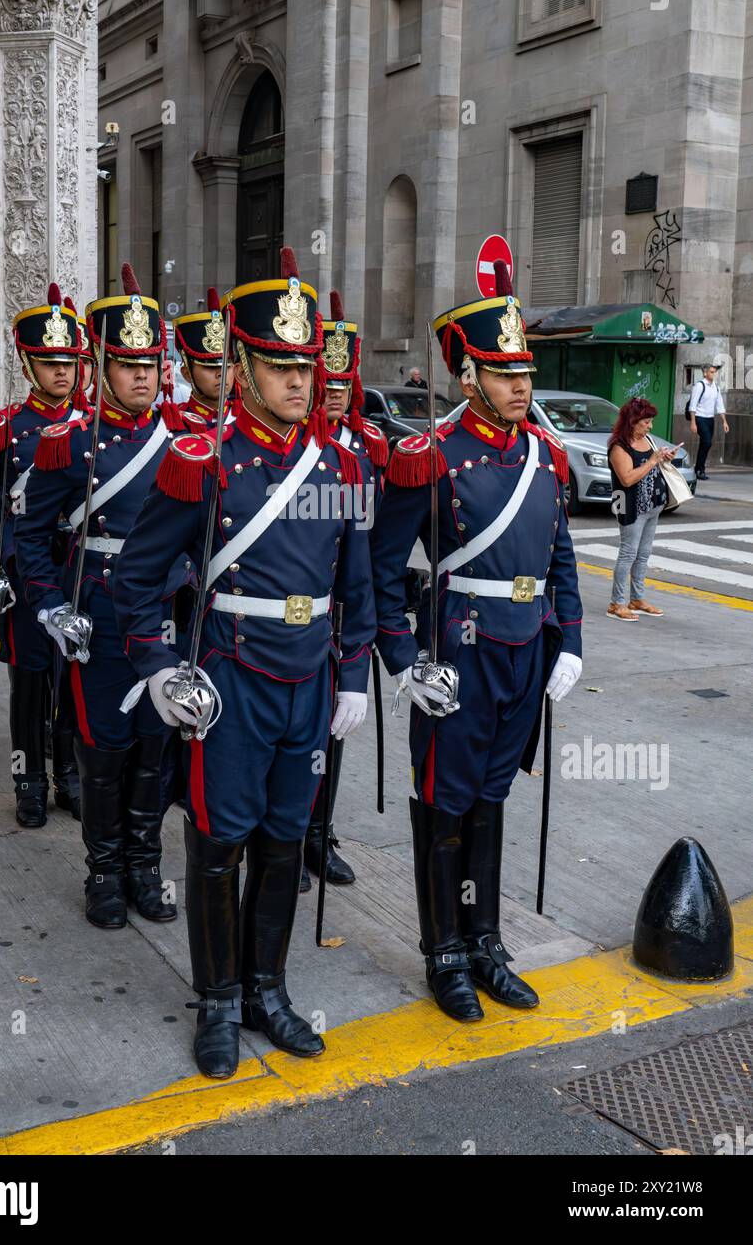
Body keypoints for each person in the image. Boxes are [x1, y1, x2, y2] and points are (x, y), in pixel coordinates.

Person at [113, 247, 376, 1081]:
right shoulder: (204, 463)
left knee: (282, 845)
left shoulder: (342, 465)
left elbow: (358, 588)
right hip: (229, 682)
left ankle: (269, 988)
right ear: (243, 366)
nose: (300, 383)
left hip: (309, 683)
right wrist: (157, 666)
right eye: (280, 367)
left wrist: (360, 676)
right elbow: (136, 577)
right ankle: (219, 1002)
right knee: (219, 846)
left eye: (306, 367)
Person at [370, 260, 583, 1024]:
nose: (520, 385)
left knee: (491, 802)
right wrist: (402, 661)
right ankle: (444, 954)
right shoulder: (430, 456)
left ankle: (486, 940)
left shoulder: (545, 456)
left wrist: (572, 640)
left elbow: (560, 553)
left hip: (525, 652)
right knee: (446, 803)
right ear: (468, 377)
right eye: (502, 372)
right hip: (458, 654)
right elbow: (381, 566)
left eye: (524, 370)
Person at [14, 263, 183, 930]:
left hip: (166, 620)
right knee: (106, 752)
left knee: (155, 749)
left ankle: (146, 867)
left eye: (149, 363)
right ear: (101, 366)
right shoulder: (69, 446)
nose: (142, 375)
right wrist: (52, 608)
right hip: (102, 619)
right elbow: (29, 538)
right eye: (127, 364)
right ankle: (104, 872)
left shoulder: (186, 446)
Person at [0, 284, 84, 826]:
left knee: (74, 679)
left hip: (76, 573)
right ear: (27, 363)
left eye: (70, 362)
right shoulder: (2, 428)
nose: (62, 372)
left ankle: (70, 778)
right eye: (50, 362)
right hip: (23, 577)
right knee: (30, 682)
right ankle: (29, 781)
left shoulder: (92, 428)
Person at [300, 290, 389, 891]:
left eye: (340, 386)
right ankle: (286, 831)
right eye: (323, 384)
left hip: (345, 609)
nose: (331, 395)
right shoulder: (301, 450)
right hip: (299, 604)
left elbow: (376, 540)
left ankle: (318, 834)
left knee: (333, 735)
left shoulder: (367, 451)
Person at [607, 397, 676, 620]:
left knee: (643, 554)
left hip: (653, 504)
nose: (650, 426)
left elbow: (653, 465)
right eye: (646, 422)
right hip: (629, 505)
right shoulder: (619, 447)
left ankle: (636, 598)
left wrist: (663, 458)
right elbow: (626, 480)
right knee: (628, 553)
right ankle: (616, 603)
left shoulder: (648, 440)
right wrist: (652, 461)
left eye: (650, 421)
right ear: (632, 421)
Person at [172, 291, 237, 425]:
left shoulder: (245, 420)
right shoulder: (170, 423)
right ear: (187, 374)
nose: (221, 373)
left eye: (228, 366)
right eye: (210, 366)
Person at [689, 364, 728, 480]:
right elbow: (692, 405)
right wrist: (693, 422)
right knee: (707, 442)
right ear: (705, 373)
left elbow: (720, 405)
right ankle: (699, 470)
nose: (713, 374)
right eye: (711, 372)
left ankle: (699, 470)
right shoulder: (699, 386)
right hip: (700, 418)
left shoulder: (716, 387)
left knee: (705, 443)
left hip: (710, 419)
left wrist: (724, 422)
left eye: (714, 372)